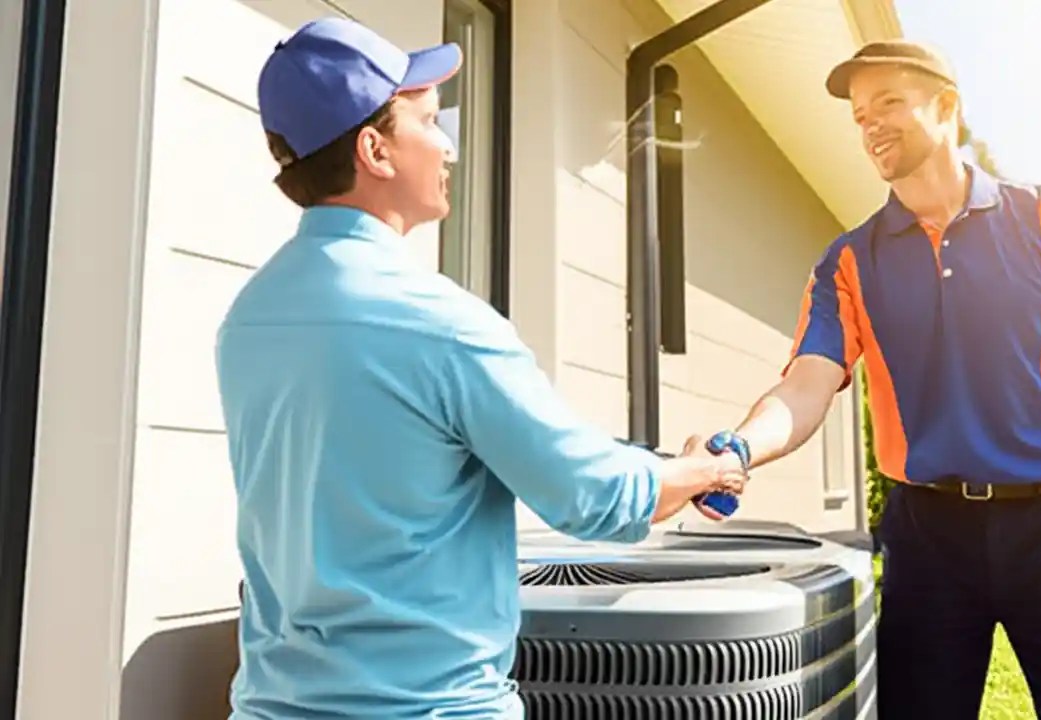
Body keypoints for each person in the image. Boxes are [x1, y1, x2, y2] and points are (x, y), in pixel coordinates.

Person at [214, 17, 746, 720]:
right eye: (431, 121)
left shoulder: (248, 319)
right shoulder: (440, 324)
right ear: (374, 149)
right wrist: (705, 469)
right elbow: (594, 496)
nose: (449, 145)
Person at [683, 40, 1041, 719]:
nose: (871, 125)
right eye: (860, 115)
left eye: (889, 104)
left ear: (948, 106)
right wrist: (743, 447)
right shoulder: (848, 262)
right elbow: (807, 383)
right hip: (929, 539)